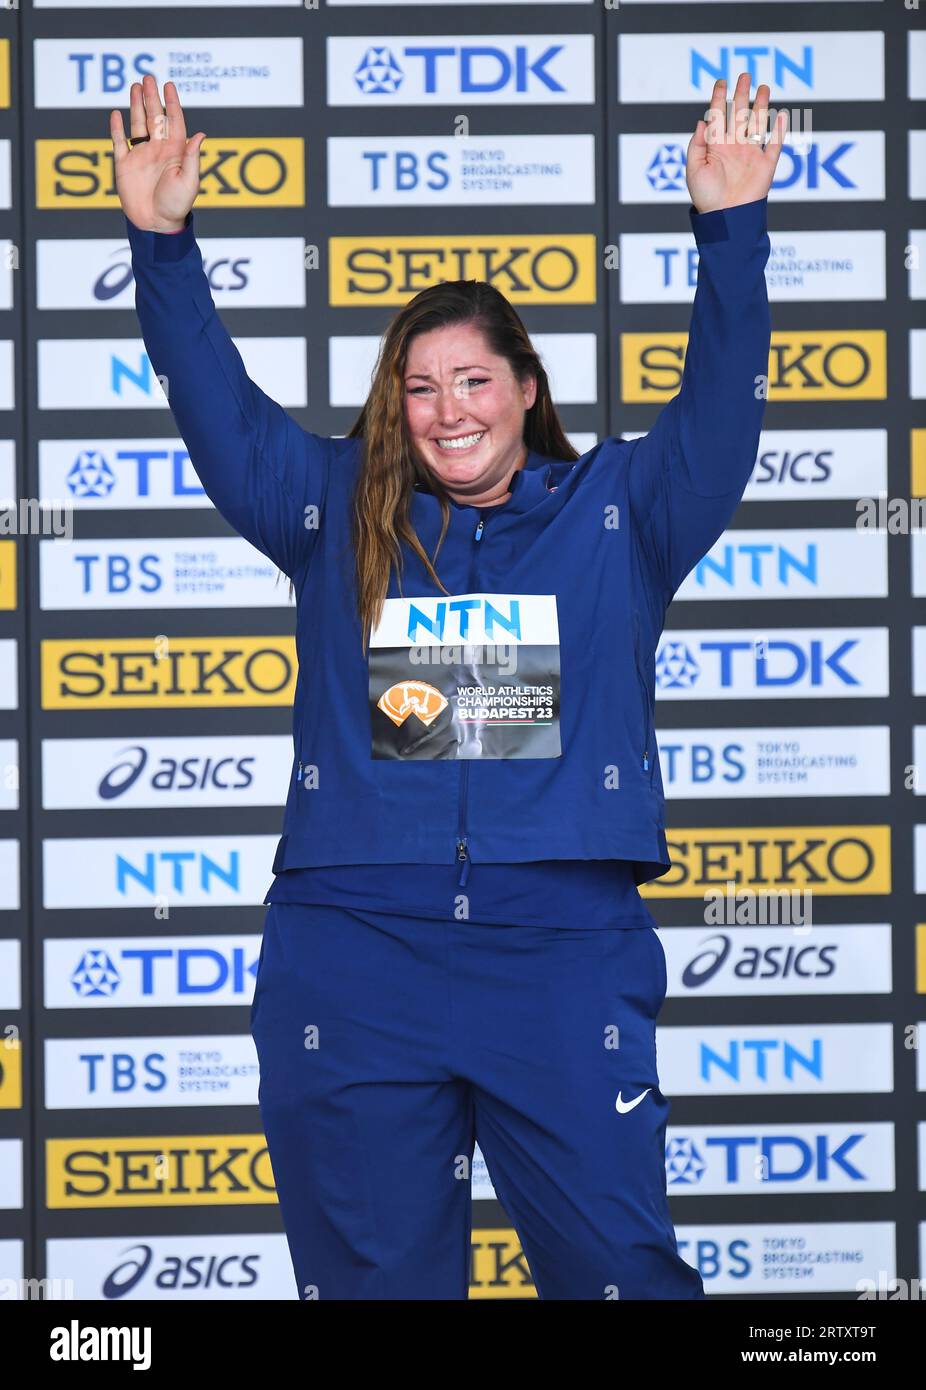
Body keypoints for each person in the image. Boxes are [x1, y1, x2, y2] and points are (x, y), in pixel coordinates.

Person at [111, 71, 784, 1301]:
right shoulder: (333, 512)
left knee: (623, 1278)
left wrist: (729, 235)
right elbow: (216, 411)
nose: (446, 411)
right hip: (354, 955)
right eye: (418, 388)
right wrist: (162, 245)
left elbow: (720, 412)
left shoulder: (621, 513)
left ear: (526, 389)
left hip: (560, 949)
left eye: (473, 380)